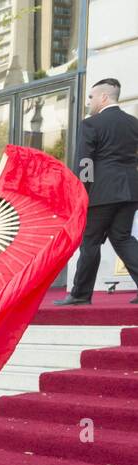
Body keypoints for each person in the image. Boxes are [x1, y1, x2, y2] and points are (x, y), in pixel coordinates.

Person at [54, 78, 138, 305]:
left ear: (103, 97)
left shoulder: (91, 124)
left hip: (101, 193)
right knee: (122, 238)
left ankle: (80, 294)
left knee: (90, 241)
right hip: (130, 191)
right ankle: (81, 293)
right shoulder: (133, 123)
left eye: (91, 97)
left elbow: (85, 162)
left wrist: (80, 193)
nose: (88, 102)